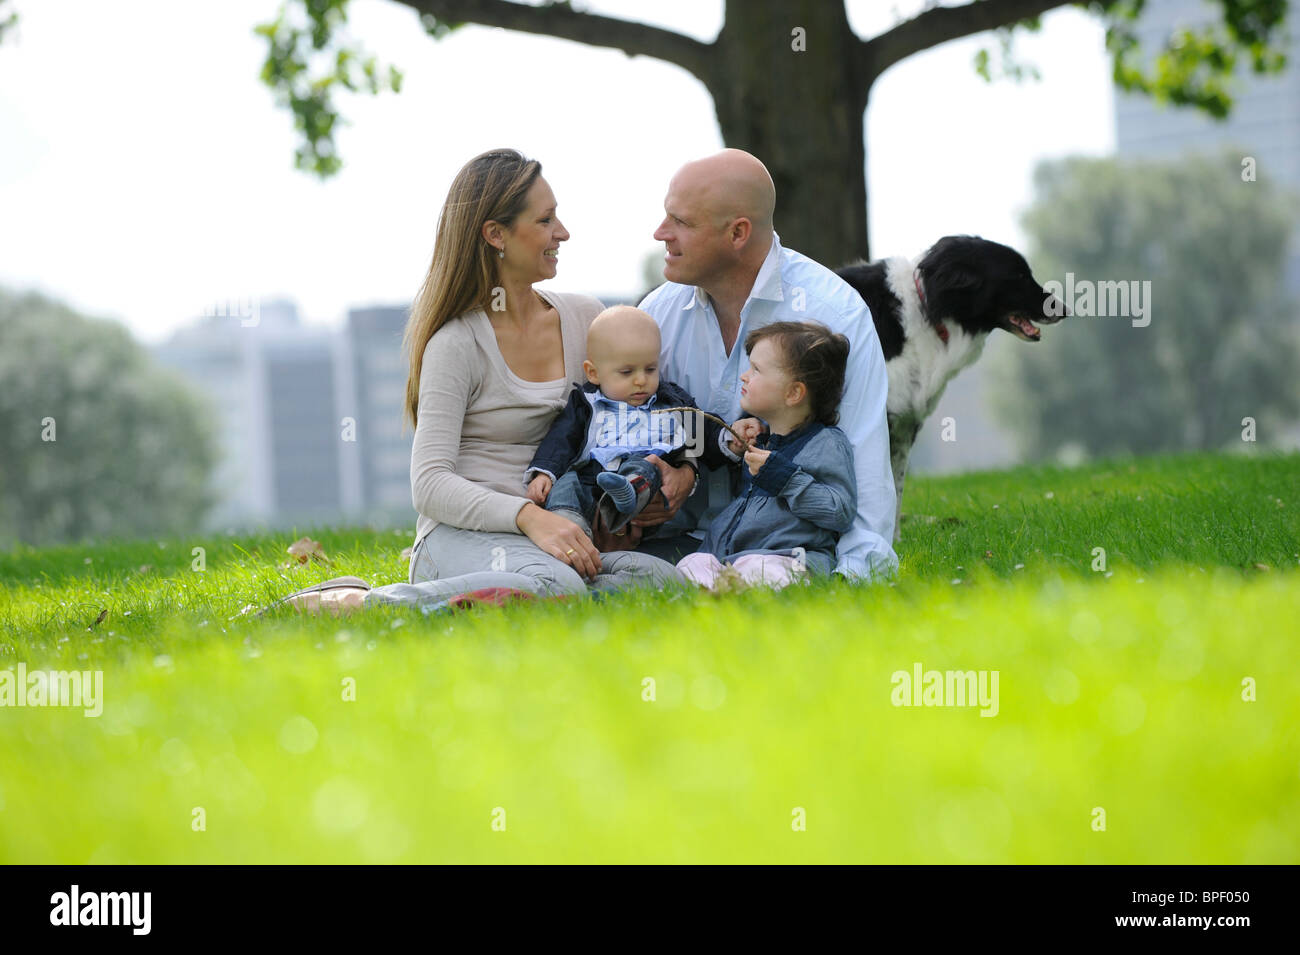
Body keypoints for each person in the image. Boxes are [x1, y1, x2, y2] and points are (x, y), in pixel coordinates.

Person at [276, 149, 682, 616]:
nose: (563, 233)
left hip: (555, 531)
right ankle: (356, 602)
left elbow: (624, 417)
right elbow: (429, 484)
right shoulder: (457, 343)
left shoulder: (585, 318)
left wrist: (638, 492)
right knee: (557, 587)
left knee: (660, 581)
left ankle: (512, 594)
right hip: (462, 536)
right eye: (546, 220)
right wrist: (527, 517)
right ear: (496, 235)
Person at [635, 149, 899, 582]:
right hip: (676, 549)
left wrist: (851, 582)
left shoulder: (835, 314)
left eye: (681, 222)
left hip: (789, 555)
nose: (661, 233)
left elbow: (862, 470)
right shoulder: (657, 316)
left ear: (738, 233)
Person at [678, 322, 857, 590]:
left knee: (760, 570)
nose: (744, 376)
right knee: (690, 563)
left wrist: (784, 478)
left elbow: (840, 511)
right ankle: (718, 590)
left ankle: (730, 592)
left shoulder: (826, 442)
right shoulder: (762, 440)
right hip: (733, 558)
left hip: (787, 557)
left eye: (756, 370)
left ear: (793, 393)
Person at [525, 305, 731, 536]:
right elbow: (561, 439)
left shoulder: (670, 401)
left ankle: (630, 490)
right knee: (567, 481)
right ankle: (568, 519)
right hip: (592, 479)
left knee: (646, 466)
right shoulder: (586, 403)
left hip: (645, 493)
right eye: (627, 372)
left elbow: (701, 429)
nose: (641, 380)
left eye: (650, 369)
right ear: (593, 373)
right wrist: (544, 473)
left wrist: (729, 439)